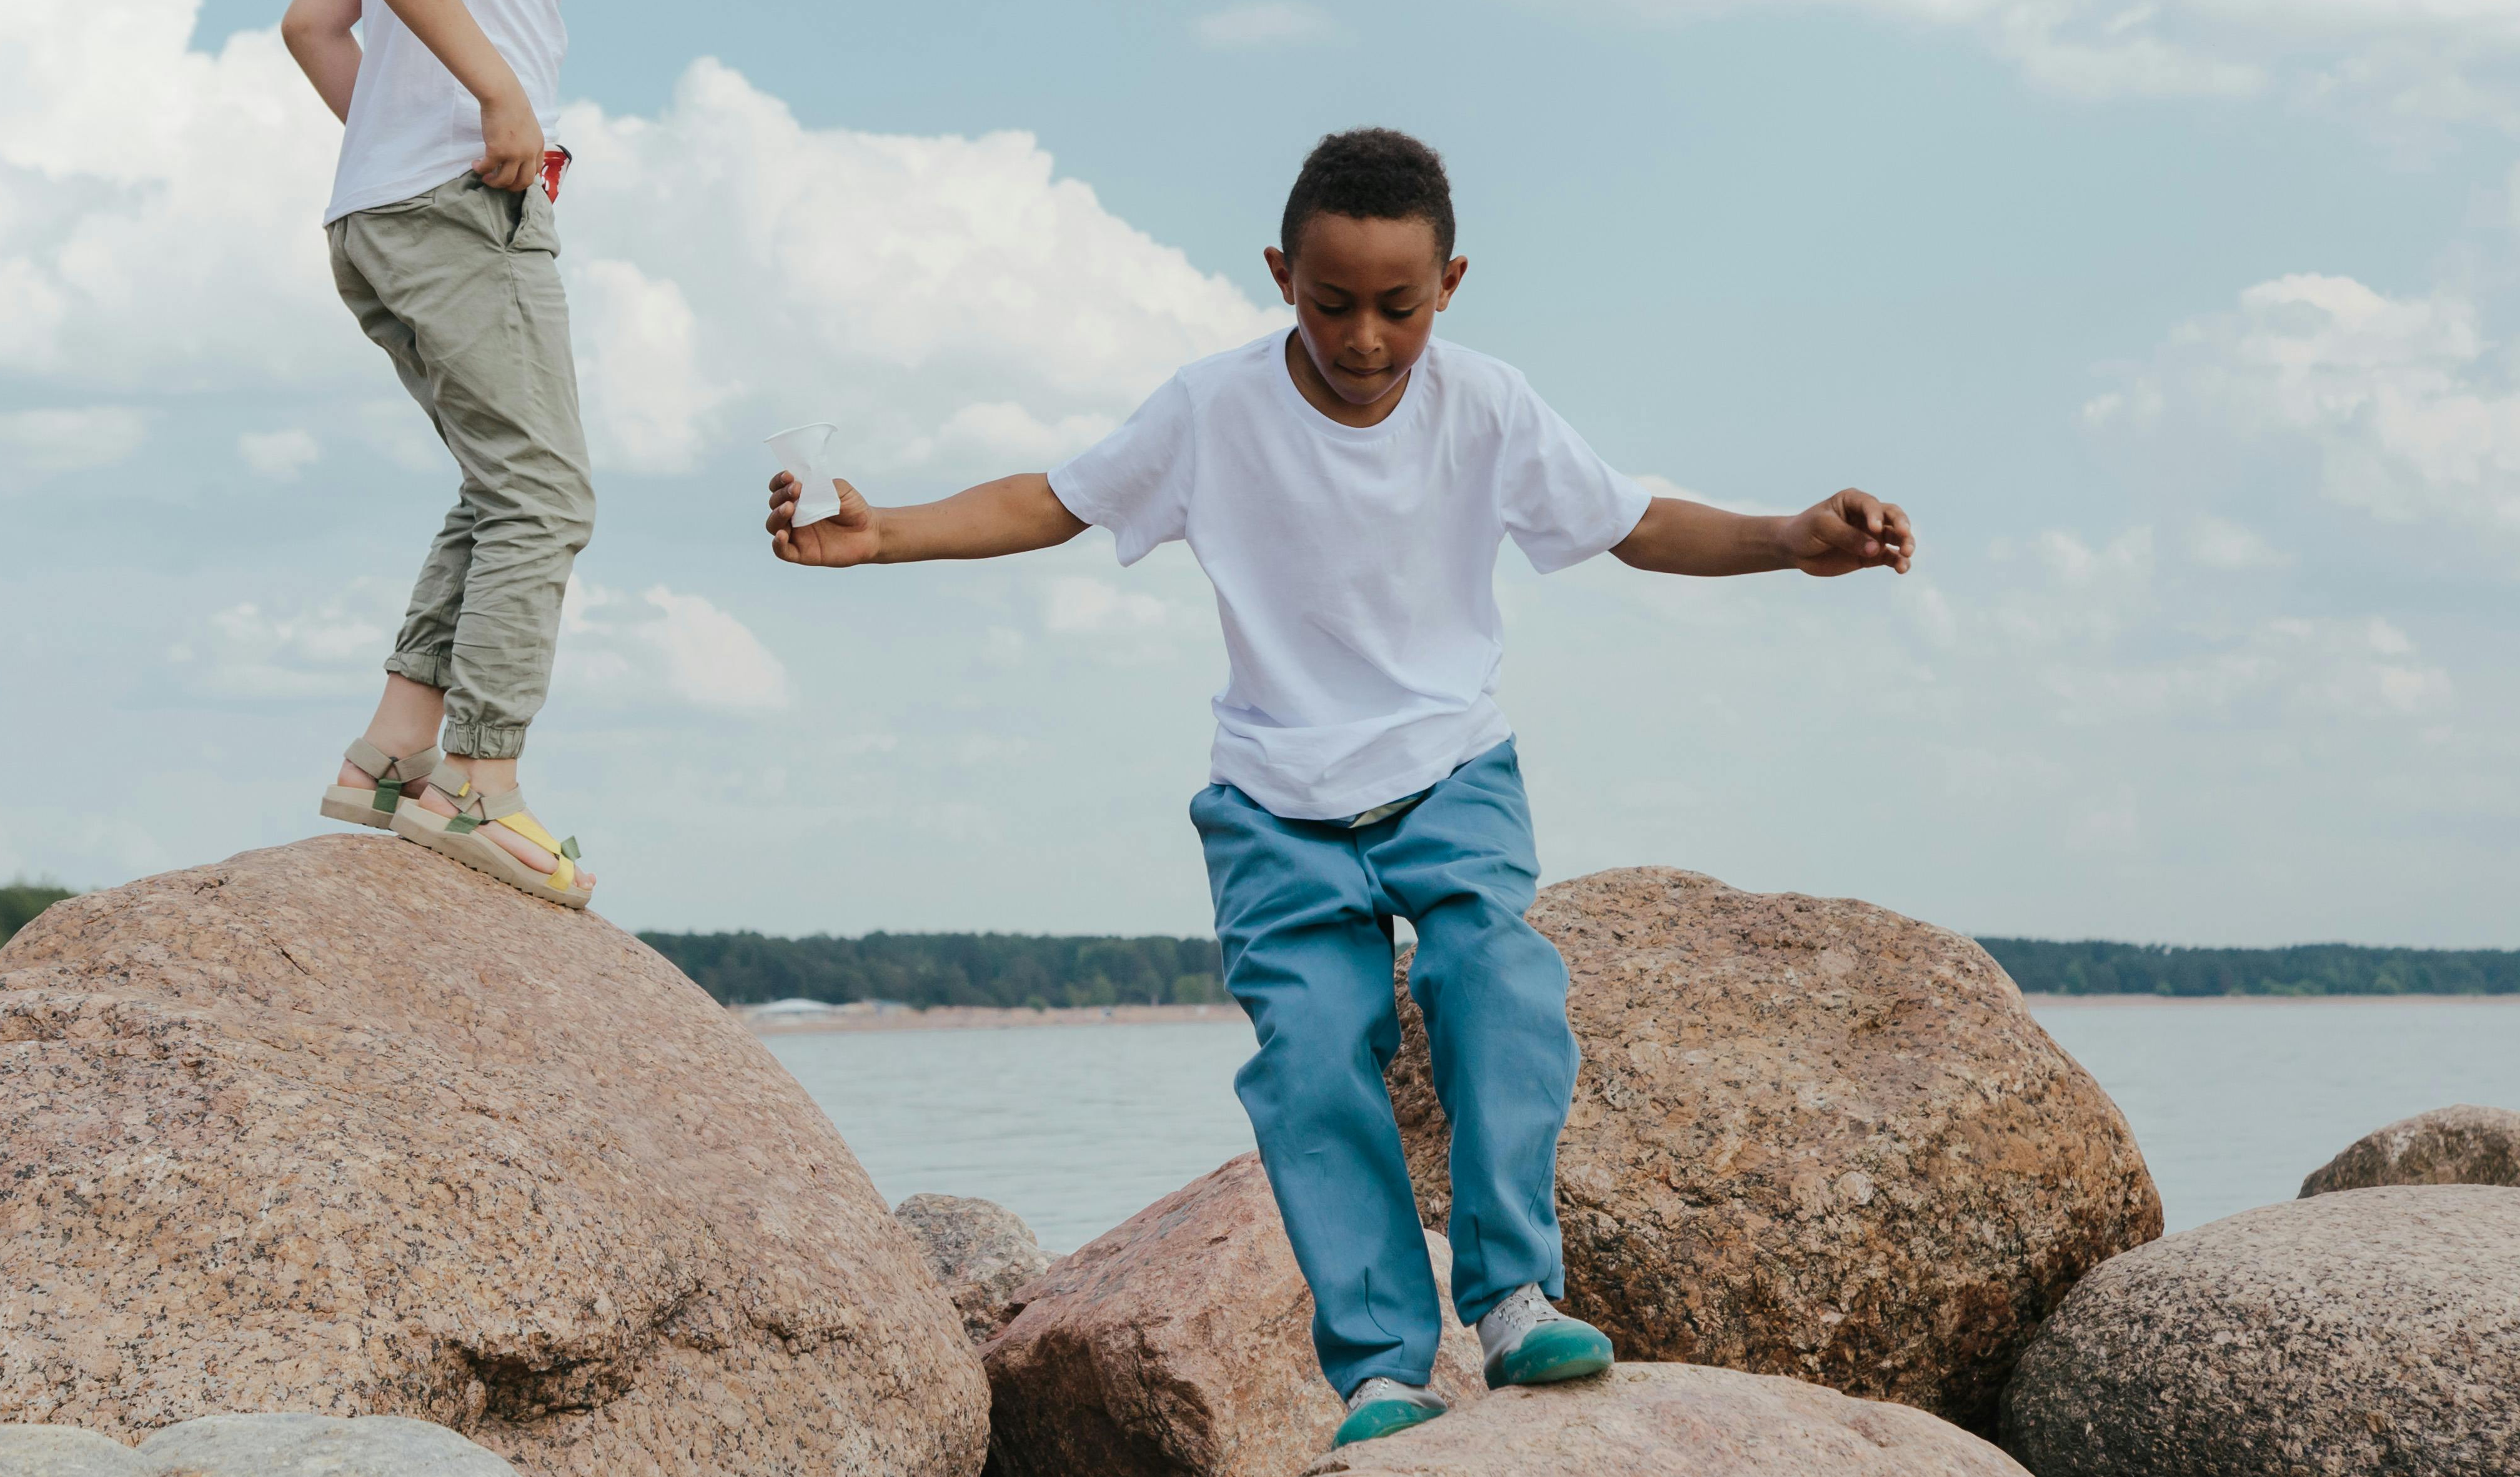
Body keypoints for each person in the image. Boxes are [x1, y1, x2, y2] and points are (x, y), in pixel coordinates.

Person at [765, 127, 1914, 1450]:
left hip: (1449, 772)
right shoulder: (1213, 408)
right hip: (1271, 802)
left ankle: (1512, 1296)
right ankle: (1379, 1368)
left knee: (1497, 980)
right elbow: (1059, 499)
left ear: (1452, 284)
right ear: (1278, 276)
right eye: (1330, 303)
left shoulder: (1485, 405)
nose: (1364, 337)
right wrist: (885, 533)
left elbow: (1631, 520)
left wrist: (1787, 541)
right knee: (1312, 1064)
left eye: (1398, 306)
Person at [279, 0, 690, 910]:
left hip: (394, 208)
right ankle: (476, 782)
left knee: (502, 483)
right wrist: (494, 103)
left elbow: (313, 21)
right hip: (462, 214)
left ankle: (391, 754)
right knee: (549, 499)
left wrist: (397, 150)